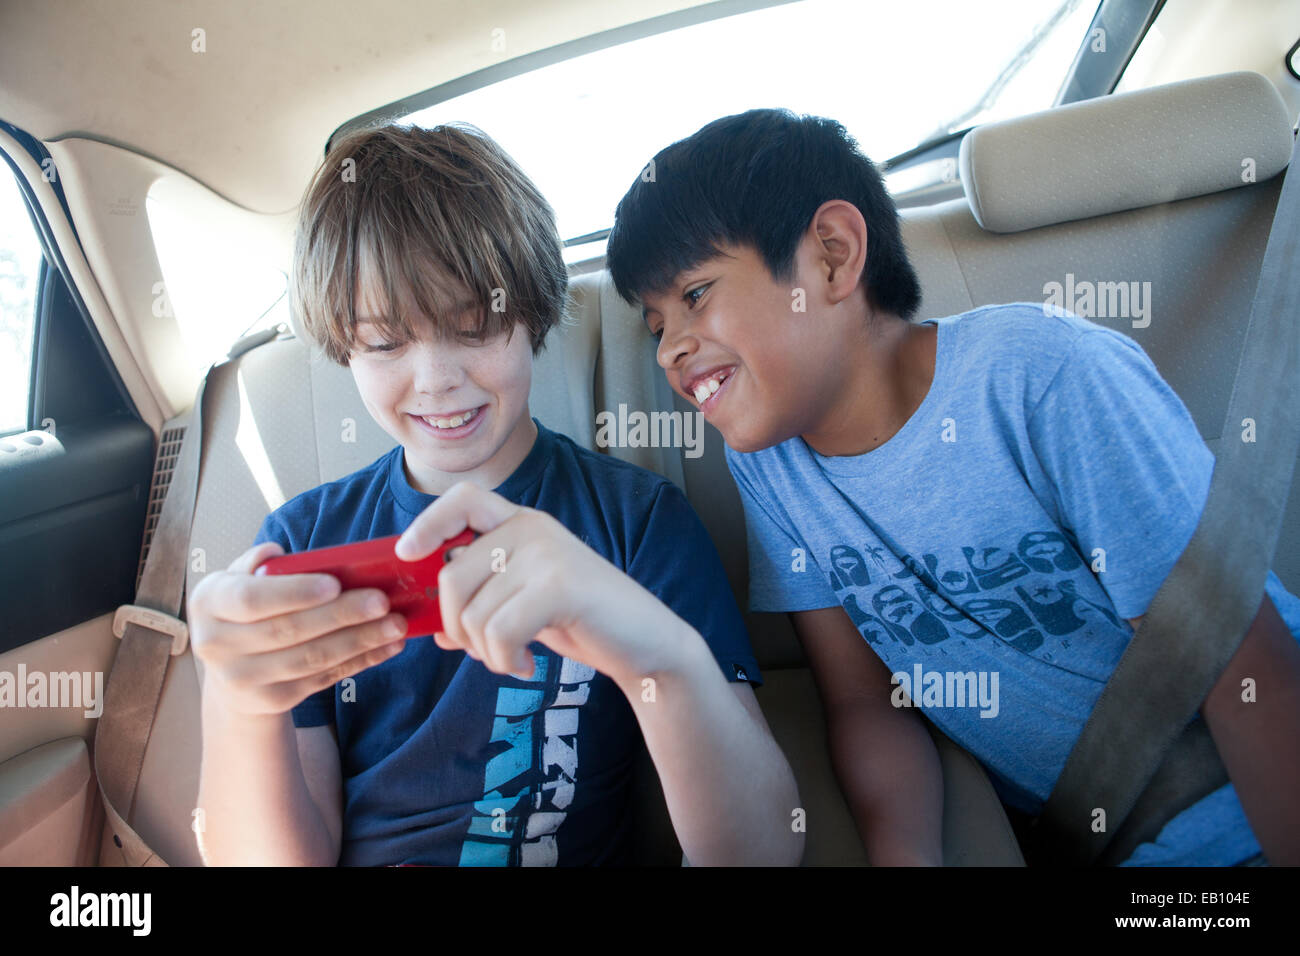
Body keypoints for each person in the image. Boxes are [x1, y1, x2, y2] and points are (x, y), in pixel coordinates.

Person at [604, 107, 1300, 866]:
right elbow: (866, 702)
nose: (671, 347)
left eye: (696, 294)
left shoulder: (1039, 374)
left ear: (833, 257)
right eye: (654, 324)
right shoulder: (771, 466)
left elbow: (1241, 663)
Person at [189, 122, 802, 867]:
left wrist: (656, 655)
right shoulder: (306, 543)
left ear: (532, 312)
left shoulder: (636, 522)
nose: (437, 378)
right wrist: (238, 703)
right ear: (344, 346)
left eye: (474, 326)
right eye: (385, 343)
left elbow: (765, 852)